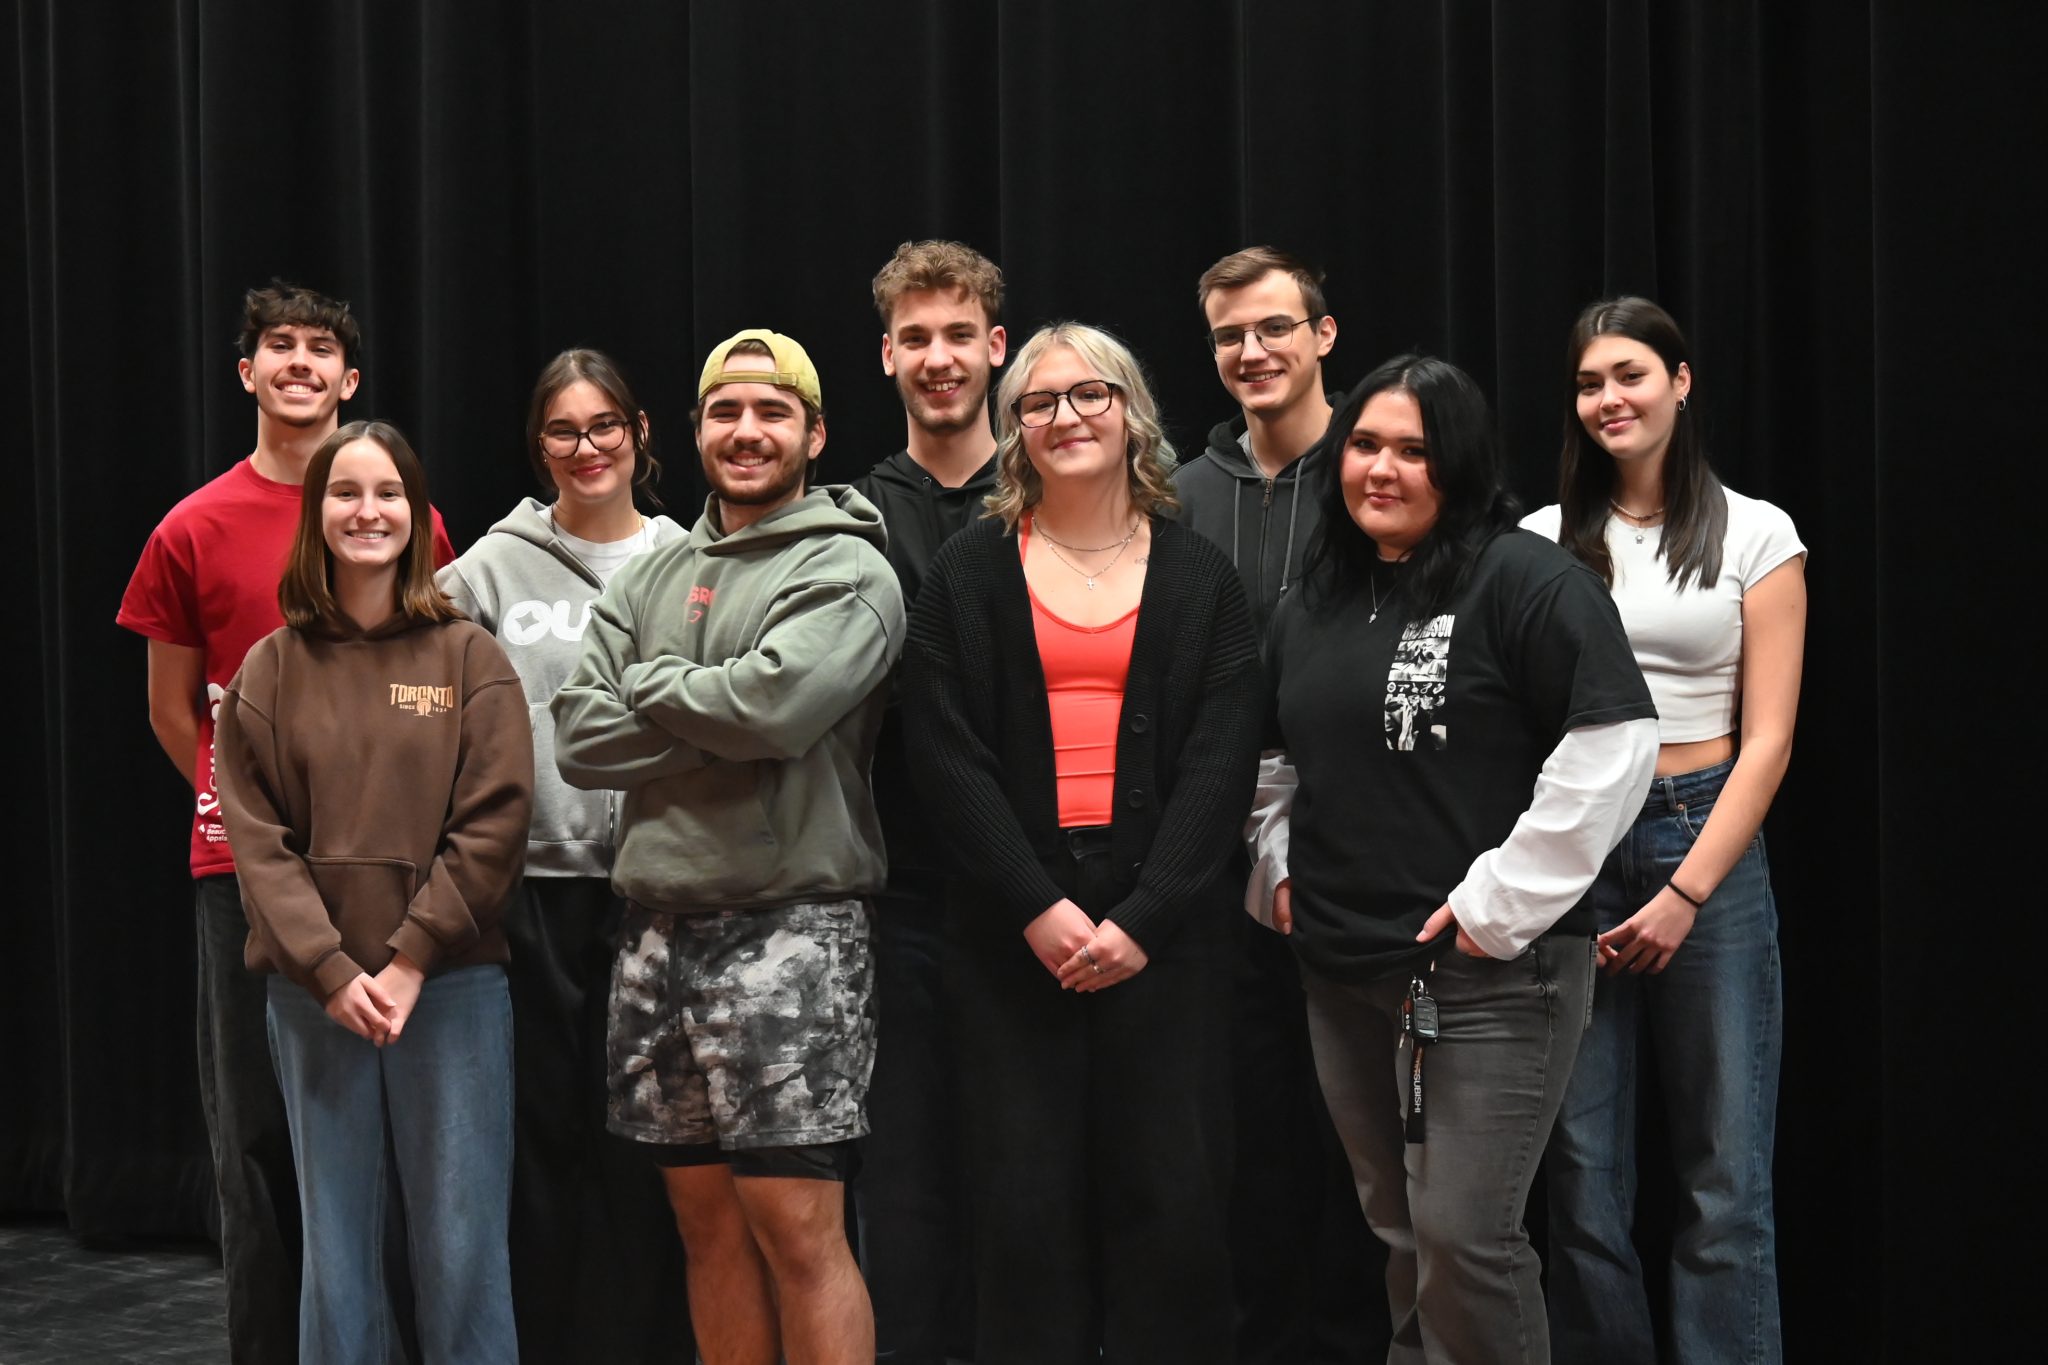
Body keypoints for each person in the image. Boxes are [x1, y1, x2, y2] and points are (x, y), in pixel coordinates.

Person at [1247, 355, 1658, 1364]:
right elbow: (1268, 756)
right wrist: (1278, 872)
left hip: (1488, 976)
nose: (1379, 469)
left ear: (1460, 464)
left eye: (1413, 451)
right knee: (1398, 1232)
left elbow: (1614, 741)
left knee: (1464, 1239)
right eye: (1364, 445)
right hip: (1342, 970)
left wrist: (1496, 904)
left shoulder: (1522, 577)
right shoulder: (1312, 601)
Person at [902, 322, 1263, 1364]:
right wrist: (1037, 907)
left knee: (1173, 1207)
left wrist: (1141, 919)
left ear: (1131, 411)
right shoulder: (966, 577)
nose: (1065, 418)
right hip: (1014, 941)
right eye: (1039, 403)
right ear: (1013, 431)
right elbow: (946, 760)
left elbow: (1219, 761)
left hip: (1168, 942)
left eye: (1088, 395)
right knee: (1019, 1216)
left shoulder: (1200, 579)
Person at [115, 282, 452, 1363]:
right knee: (258, 1141)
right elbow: (175, 711)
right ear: (247, 372)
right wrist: (245, 812)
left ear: (350, 381)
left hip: (393, 874)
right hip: (244, 875)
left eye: (321, 350)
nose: (299, 362)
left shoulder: (405, 518)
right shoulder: (192, 528)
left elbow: (437, 681)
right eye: (278, 347)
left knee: (396, 1145)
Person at [551, 329, 902, 1365]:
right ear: (696, 429)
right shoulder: (654, 572)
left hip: (789, 934)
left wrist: (654, 688)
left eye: (771, 413)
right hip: (655, 936)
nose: (745, 433)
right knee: (705, 1232)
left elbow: (777, 708)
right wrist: (715, 702)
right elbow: (577, 732)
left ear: (815, 434)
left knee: (798, 1232)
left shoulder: (848, 567)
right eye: (724, 413)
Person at [214, 420, 532, 1364]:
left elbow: (495, 822)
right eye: (344, 493)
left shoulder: (468, 656)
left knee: (462, 1248)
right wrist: (329, 966)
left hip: (450, 991)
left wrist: (409, 958)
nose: (367, 511)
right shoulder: (271, 668)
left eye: (387, 492)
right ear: (316, 517)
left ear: (418, 512)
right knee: (337, 1253)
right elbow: (258, 843)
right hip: (317, 998)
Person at [1529, 297, 1805, 1365]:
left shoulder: (1755, 531)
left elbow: (1768, 739)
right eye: (1589, 382)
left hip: (1708, 840)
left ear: (1679, 383)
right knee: (1581, 1175)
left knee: (1723, 1178)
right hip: (1576, 848)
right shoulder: (1541, 542)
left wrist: (1686, 889)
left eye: (1630, 375)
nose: (1609, 399)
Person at [435, 349, 691, 1363]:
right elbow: (403, 677)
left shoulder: (686, 557)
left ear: (638, 434)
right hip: (529, 889)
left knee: (648, 1145)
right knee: (538, 1141)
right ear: (538, 447)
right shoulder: (487, 570)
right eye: (562, 431)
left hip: (654, 885)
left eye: (602, 427)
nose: (586, 449)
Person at [1180, 245, 1380, 1363]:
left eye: (1270, 329)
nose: (1249, 353)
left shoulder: (1379, 461)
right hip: (1209, 852)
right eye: (1226, 337)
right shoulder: (1182, 487)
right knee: (1245, 1137)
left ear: (1322, 335)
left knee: (1356, 1137)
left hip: (1354, 841)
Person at [852, 239, 1007, 1365]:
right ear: (887, 357)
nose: (939, 358)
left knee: (1024, 1177)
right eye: (917, 338)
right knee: (903, 1181)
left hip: (1039, 899)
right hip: (896, 901)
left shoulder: (1052, 492)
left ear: (996, 347)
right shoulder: (852, 516)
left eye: (959, 335)